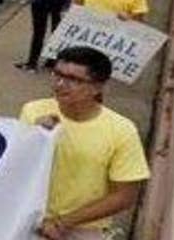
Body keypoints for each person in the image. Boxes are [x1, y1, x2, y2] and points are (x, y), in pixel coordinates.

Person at [21, 47, 150, 240]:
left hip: (83, 230)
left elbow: (124, 197)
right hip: (29, 221)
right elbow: (16, 165)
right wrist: (34, 135)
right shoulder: (33, 111)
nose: (60, 84)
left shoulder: (122, 131)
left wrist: (63, 222)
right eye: (57, 74)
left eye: (73, 79)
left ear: (98, 87)